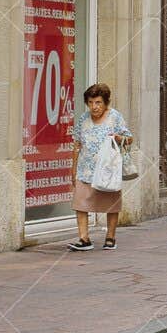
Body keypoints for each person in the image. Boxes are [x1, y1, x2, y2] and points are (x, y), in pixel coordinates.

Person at [67, 83, 133, 252]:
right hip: (85, 168)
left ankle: (110, 237)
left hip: (107, 170)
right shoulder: (83, 119)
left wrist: (118, 137)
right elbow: (77, 144)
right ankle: (84, 239)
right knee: (80, 203)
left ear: (105, 103)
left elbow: (129, 139)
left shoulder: (114, 117)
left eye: (98, 102)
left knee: (111, 203)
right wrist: (73, 169)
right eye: (90, 102)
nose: (94, 107)